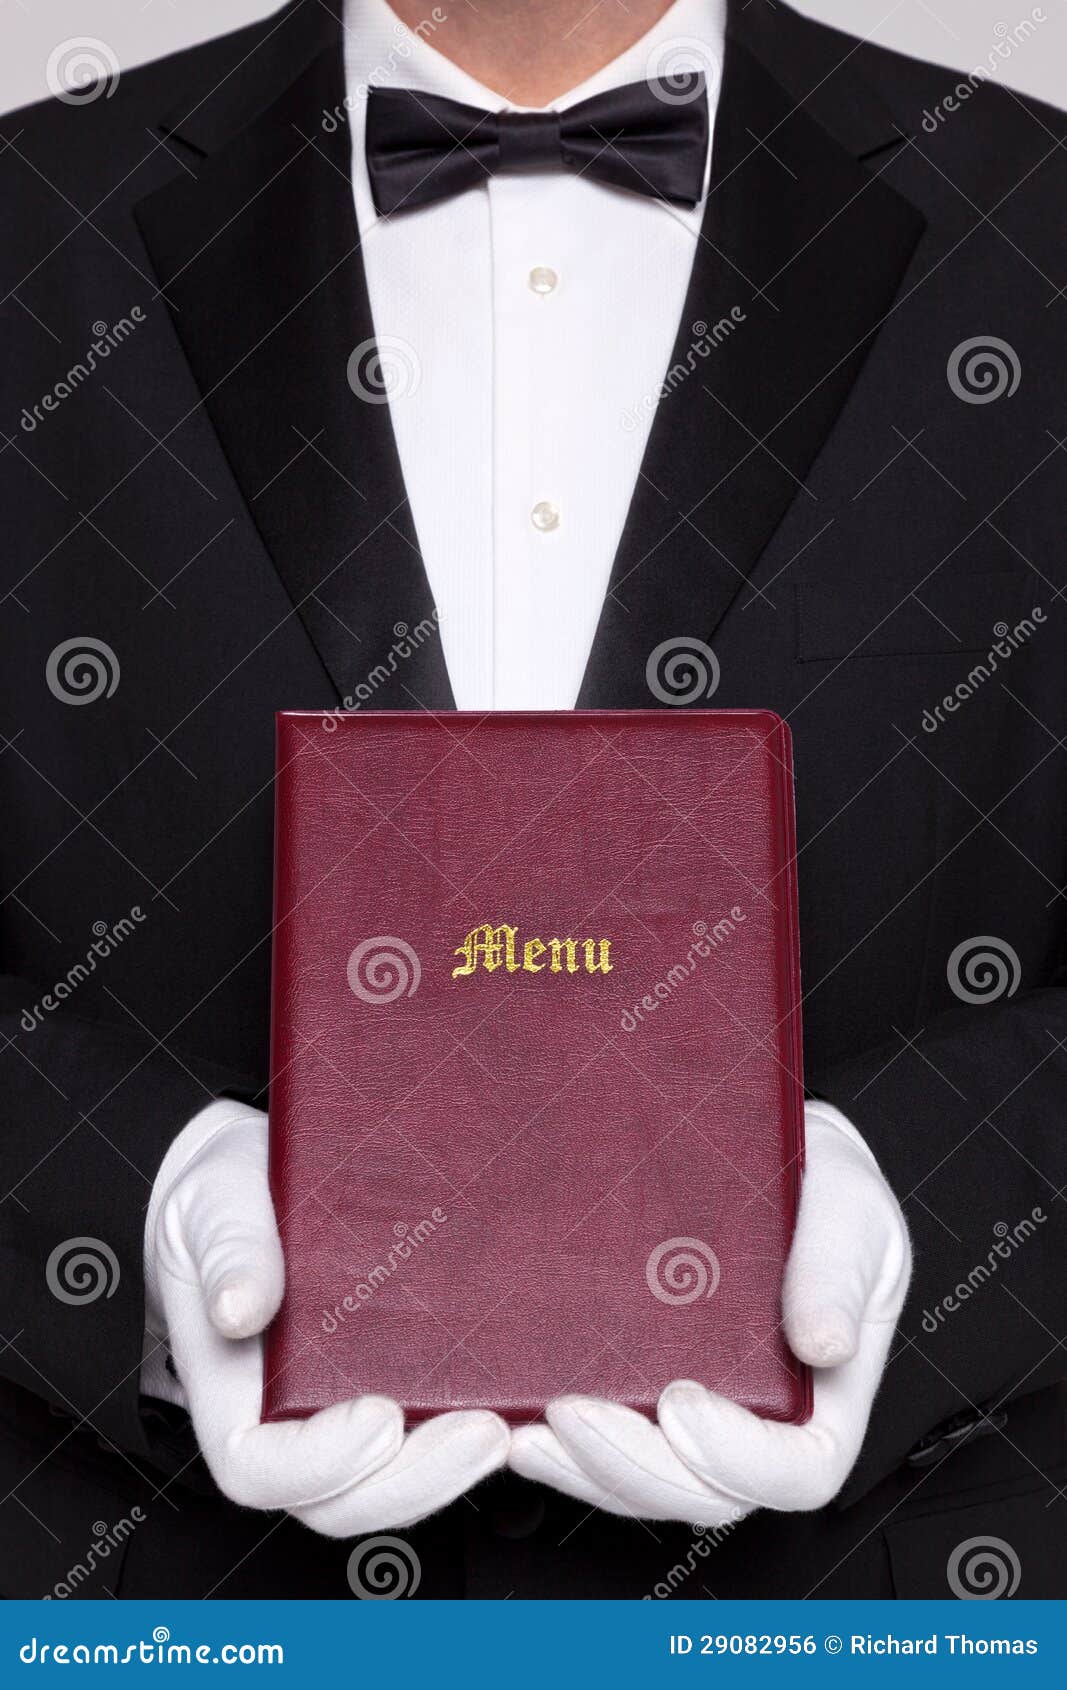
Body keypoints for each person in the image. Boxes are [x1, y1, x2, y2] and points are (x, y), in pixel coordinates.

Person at [1, 0, 1064, 1600]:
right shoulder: (30, 227)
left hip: (886, 1603)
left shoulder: (1035, 223)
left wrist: (930, 1197)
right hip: (153, 1599)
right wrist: (123, 1201)